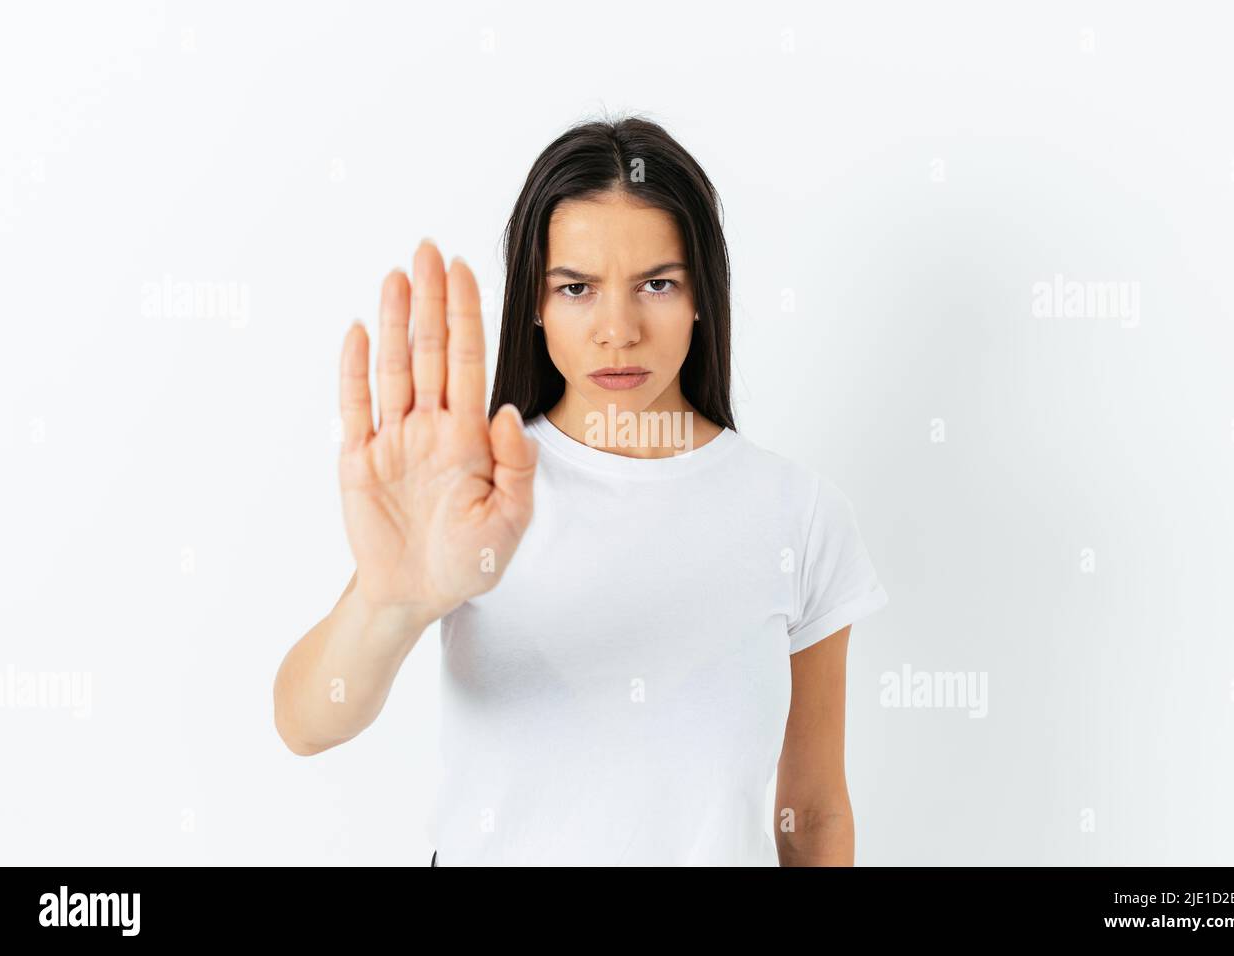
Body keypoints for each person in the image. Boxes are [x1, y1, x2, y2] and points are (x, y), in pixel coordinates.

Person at [272, 116, 889, 866]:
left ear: (703, 295)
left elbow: (817, 812)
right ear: (534, 301)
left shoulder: (798, 513)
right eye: (576, 288)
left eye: (657, 283)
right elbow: (306, 723)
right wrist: (390, 601)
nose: (617, 329)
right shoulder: (477, 488)